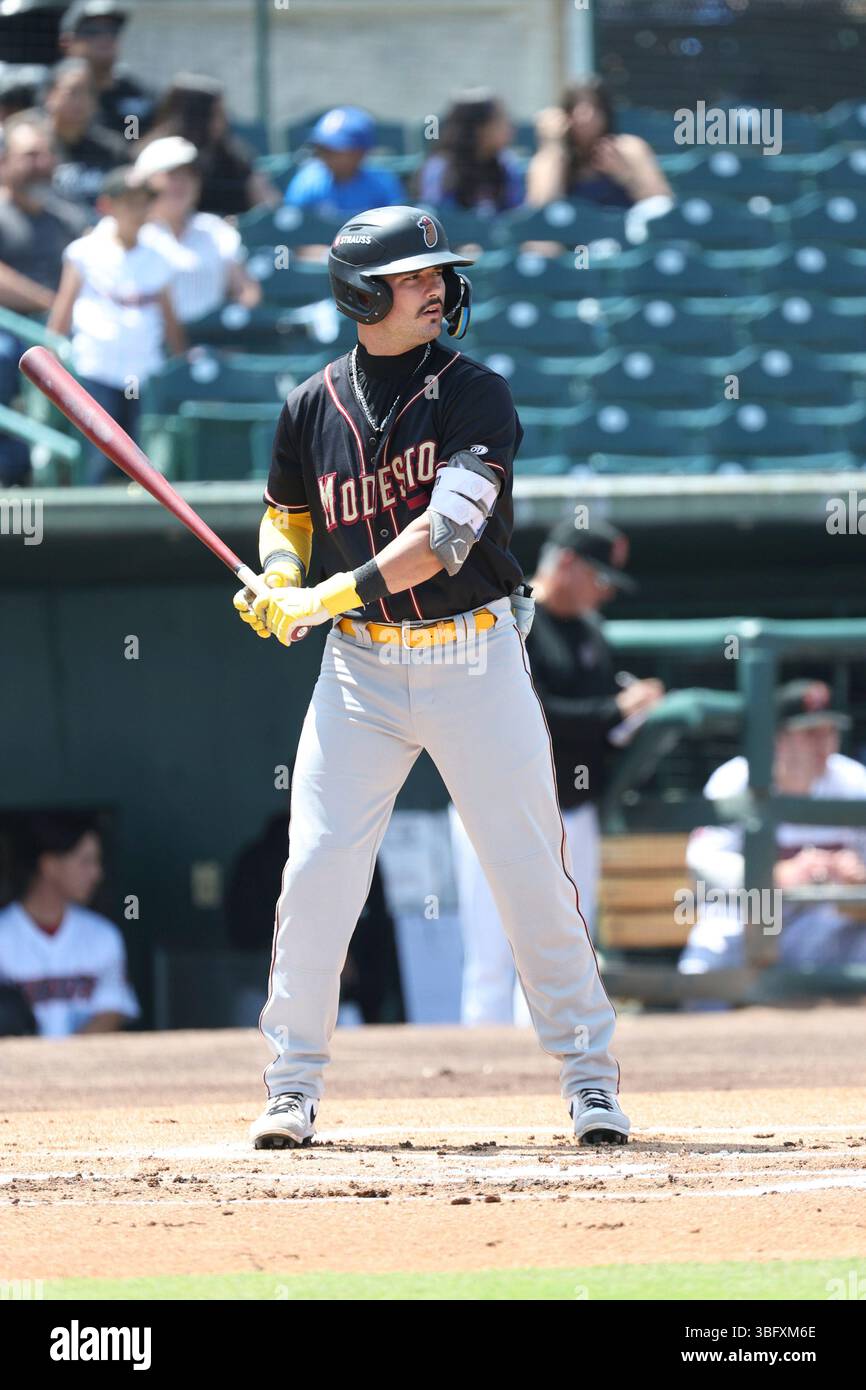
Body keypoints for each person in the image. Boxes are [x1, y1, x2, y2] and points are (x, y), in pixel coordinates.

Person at [233, 203, 630, 1150]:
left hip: (471, 655)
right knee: (319, 869)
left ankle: (590, 1079)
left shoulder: (477, 393)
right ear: (362, 292)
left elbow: (445, 541)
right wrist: (283, 574)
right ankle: (290, 1085)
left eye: (439, 274)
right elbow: (286, 515)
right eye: (416, 277)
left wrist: (319, 597)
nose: (439, 287)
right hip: (361, 671)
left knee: (529, 871)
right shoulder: (309, 403)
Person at [450, 517, 665, 1024]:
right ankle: (468, 1094)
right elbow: (533, 712)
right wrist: (616, 710)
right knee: (492, 961)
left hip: (572, 808)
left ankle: (549, 1080)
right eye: (599, 577)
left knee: (564, 951)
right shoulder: (513, 616)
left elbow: (596, 717)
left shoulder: (589, 630)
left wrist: (628, 713)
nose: (605, 592)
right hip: (496, 806)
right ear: (566, 562)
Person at [679, 680, 866, 976]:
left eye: (830, 731)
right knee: (699, 970)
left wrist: (857, 877)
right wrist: (772, 875)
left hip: (819, 925)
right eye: (809, 732)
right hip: (741, 922)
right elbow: (702, 864)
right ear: (777, 738)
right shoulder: (734, 779)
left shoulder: (854, 780)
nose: (823, 742)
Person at [47, 165, 185, 483]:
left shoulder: (160, 253)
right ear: (108, 204)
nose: (139, 209)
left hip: (145, 371)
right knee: (98, 462)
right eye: (130, 200)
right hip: (96, 369)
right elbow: (61, 316)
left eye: (144, 200)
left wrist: (179, 360)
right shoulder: (84, 251)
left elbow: (171, 321)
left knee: (146, 463)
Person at [226, 811, 405, 1025]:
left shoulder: (362, 857)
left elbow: (378, 932)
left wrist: (348, 960)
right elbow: (243, 930)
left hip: (342, 1001)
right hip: (268, 995)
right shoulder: (260, 859)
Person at [0, 109, 89, 485]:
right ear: (3, 162)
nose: (40, 164)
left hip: (67, 331)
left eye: (45, 154)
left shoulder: (69, 217)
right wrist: (52, 302)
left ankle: (90, 474)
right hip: (10, 328)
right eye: (29, 155)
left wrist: (62, 312)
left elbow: (95, 265)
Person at [0, 813, 139, 1037]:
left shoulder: (103, 935)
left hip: (85, 1066)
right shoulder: (4, 934)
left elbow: (112, 1011)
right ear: (49, 865)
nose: (96, 873)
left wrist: (66, 1061)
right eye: (85, 862)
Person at [133, 135, 260, 325]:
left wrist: (234, 327)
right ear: (147, 182)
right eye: (171, 174)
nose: (181, 182)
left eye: (189, 174)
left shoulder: (214, 229)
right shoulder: (130, 233)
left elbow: (245, 290)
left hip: (212, 344)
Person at [142, 74, 278, 217]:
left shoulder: (232, 155)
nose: (223, 120)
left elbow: (268, 202)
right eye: (216, 113)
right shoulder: (159, 156)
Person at [527, 77, 672, 209]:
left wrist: (625, 176)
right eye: (575, 107)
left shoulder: (629, 149)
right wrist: (554, 148)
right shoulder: (550, 156)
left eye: (595, 106)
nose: (585, 115)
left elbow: (662, 207)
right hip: (570, 236)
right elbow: (540, 214)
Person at [58, 0, 155, 141]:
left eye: (113, 30)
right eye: (92, 31)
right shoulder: (51, 91)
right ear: (67, 43)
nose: (105, 38)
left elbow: (134, 139)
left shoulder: (137, 96)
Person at [284, 107, 404, 220]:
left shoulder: (382, 182)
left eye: (332, 149)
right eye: (321, 149)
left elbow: (398, 226)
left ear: (359, 152)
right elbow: (291, 226)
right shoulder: (307, 181)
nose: (324, 155)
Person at [417, 91, 524, 214]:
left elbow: (515, 217)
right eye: (501, 119)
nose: (509, 127)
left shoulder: (506, 166)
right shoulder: (440, 170)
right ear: (479, 128)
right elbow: (438, 221)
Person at [43, 57, 129, 208]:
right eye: (73, 91)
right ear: (50, 95)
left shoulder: (112, 149)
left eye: (89, 92)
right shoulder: (33, 147)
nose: (82, 100)